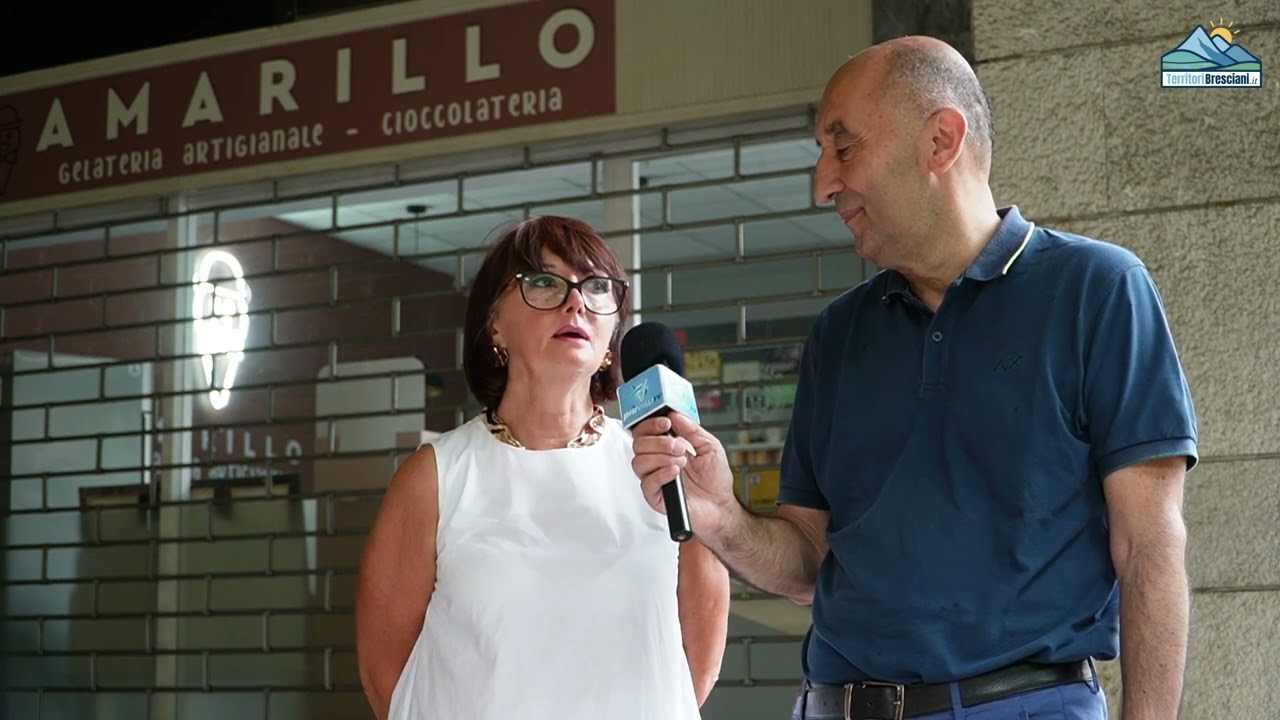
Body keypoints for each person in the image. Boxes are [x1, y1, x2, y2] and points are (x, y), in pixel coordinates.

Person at [630, 36, 1197, 720]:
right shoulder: (838, 333)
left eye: (843, 147)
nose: (822, 183)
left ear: (941, 140)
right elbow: (809, 560)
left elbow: (1148, 545)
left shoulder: (1098, 290)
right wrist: (721, 517)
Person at [356, 215, 731, 720]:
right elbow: (388, 682)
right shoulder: (436, 476)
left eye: (597, 288)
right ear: (494, 324)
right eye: (544, 282)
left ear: (611, 335)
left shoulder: (661, 466)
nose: (576, 301)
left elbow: (695, 670)